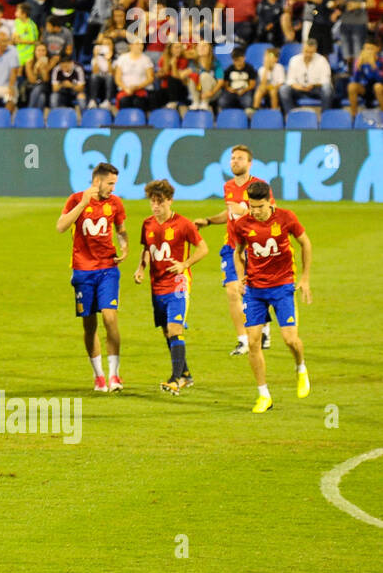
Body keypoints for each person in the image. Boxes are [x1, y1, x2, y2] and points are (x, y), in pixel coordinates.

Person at [232, 180, 312, 413]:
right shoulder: (242, 224)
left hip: (282, 286)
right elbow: (238, 252)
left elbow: (305, 243)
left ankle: (300, 367)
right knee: (253, 341)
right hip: (255, 290)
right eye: (251, 206)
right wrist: (240, 277)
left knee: (290, 340)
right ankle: (263, 394)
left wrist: (305, 278)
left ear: (269, 201)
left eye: (259, 206)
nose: (255, 211)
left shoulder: (286, 218)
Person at [193, 145, 272, 357]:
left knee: (256, 290)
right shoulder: (228, 186)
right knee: (232, 291)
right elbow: (229, 214)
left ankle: (264, 329)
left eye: (240, 158)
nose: (235, 161)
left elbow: (270, 214)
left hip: (255, 247)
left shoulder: (260, 187)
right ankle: (243, 340)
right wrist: (209, 221)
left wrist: (246, 210)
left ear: (249, 163)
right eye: (233, 158)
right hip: (232, 246)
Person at [55, 161, 128, 392]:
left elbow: (121, 229)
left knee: (110, 317)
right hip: (83, 271)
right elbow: (60, 227)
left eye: (115, 183)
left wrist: (124, 247)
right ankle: (99, 376)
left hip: (108, 268)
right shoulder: (76, 199)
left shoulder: (115, 203)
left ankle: (115, 375)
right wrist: (84, 203)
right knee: (90, 325)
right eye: (110, 183)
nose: (113, 188)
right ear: (97, 181)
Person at [133, 179, 208, 395]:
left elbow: (203, 248)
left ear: (170, 201)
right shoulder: (147, 224)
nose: (156, 207)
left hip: (178, 285)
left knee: (175, 328)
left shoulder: (183, 224)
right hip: (157, 287)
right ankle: (185, 374)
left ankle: (176, 379)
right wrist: (141, 268)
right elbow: (147, 249)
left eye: (160, 202)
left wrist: (185, 264)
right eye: (153, 202)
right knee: (167, 331)